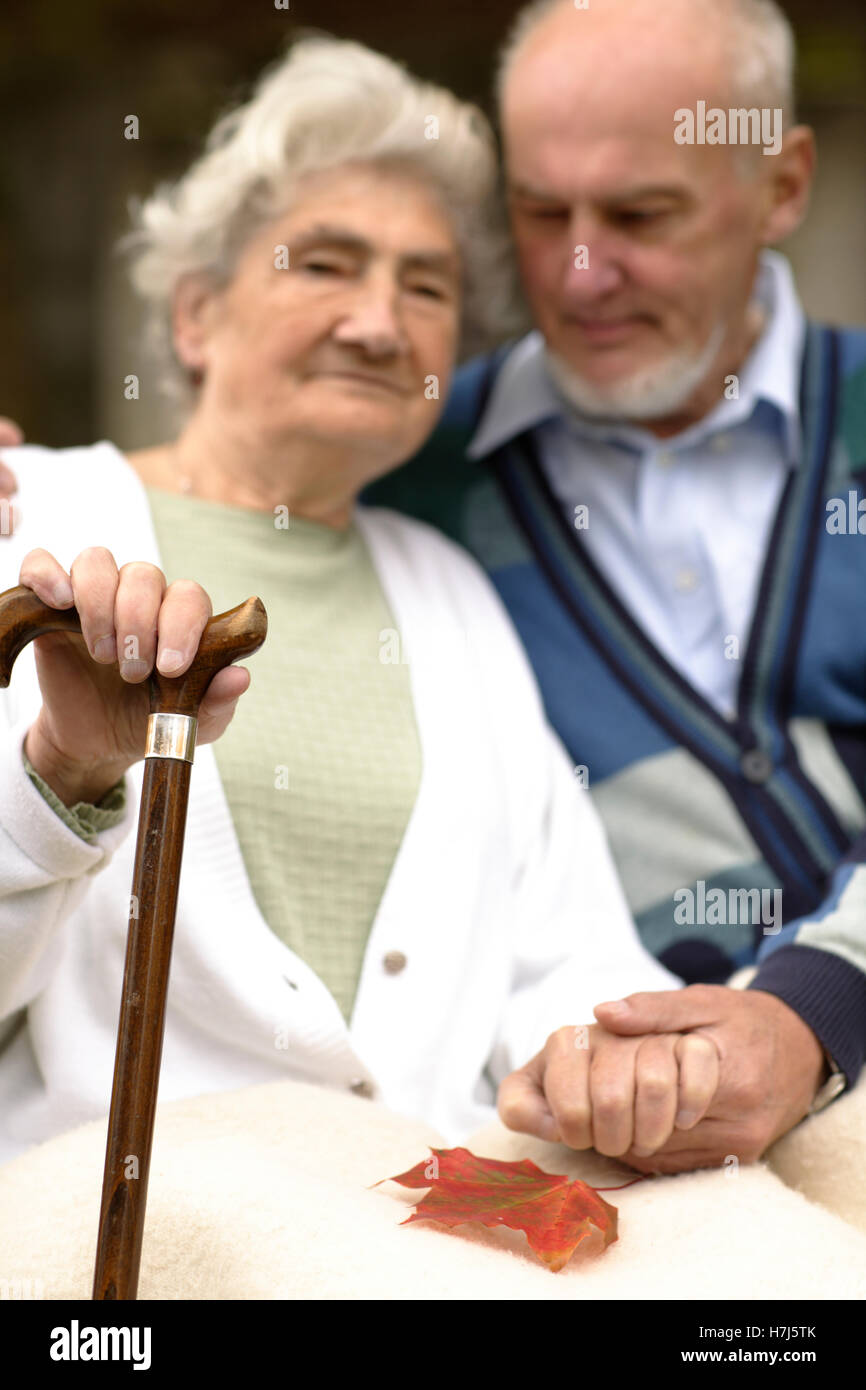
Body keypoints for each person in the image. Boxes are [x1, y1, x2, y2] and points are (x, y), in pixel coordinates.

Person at [0, 36, 713, 1167]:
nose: (379, 324)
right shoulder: (27, 521)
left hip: (418, 1238)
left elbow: (567, 962)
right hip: (110, 1247)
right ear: (195, 317)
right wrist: (64, 776)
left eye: (423, 287)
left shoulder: (448, 591)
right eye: (323, 264)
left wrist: (612, 1057)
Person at [364, 0, 866, 1171]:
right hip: (629, 1158)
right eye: (542, 215)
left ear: (781, 184)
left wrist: (813, 1008)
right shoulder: (404, 477)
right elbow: (221, 516)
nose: (582, 274)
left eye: (641, 214)